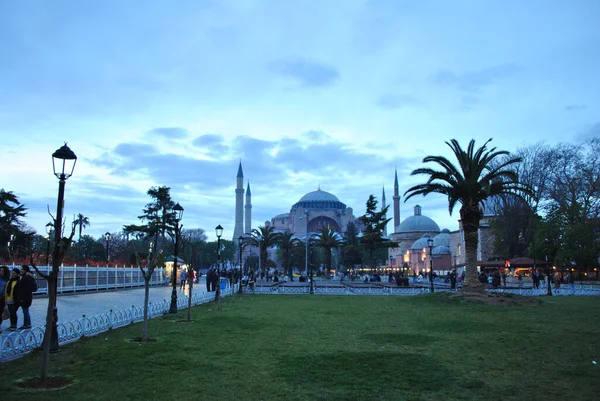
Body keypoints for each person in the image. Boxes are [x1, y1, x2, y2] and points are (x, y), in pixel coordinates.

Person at [16, 265, 37, 329]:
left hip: (25, 297)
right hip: (27, 296)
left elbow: (24, 287)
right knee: (26, 310)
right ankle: (28, 324)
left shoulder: (26, 277)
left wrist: (22, 297)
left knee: (25, 311)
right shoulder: (28, 277)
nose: (21, 270)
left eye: (22, 269)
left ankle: (26, 324)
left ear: (25, 270)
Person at [0, 265, 10, 333]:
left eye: (3, 271)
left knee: (1, 312)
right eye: (0, 270)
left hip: (2, 298)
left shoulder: (7, 280)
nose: (1, 272)